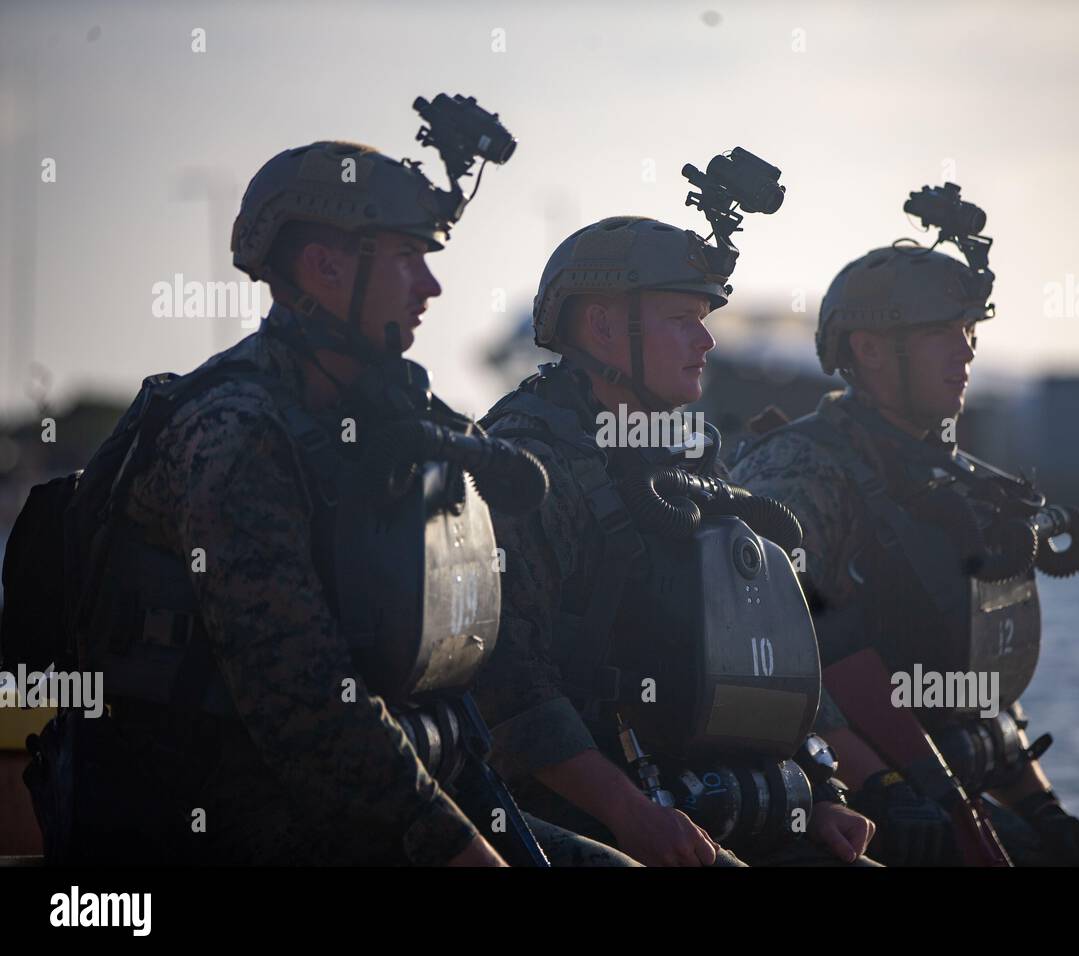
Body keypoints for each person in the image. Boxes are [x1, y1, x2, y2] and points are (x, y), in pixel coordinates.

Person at [20, 133, 633, 867]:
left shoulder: (386, 409)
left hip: (370, 791)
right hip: (220, 813)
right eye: (408, 257)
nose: (430, 286)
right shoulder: (237, 429)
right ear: (325, 266)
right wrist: (454, 846)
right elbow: (305, 704)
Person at [474, 214, 878, 867]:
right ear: (603, 327)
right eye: (681, 319)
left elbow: (755, 651)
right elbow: (508, 682)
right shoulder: (526, 466)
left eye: (705, 316)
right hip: (578, 807)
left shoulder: (682, 459)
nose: (707, 340)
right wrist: (632, 815)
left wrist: (820, 791)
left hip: (697, 793)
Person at [730, 185, 1079, 867]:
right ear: (870, 350)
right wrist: (885, 786)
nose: (964, 353)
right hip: (850, 786)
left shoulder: (958, 478)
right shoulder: (804, 470)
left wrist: (1041, 804)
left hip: (953, 773)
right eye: (941, 334)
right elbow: (779, 658)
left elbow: (981, 676)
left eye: (969, 333)